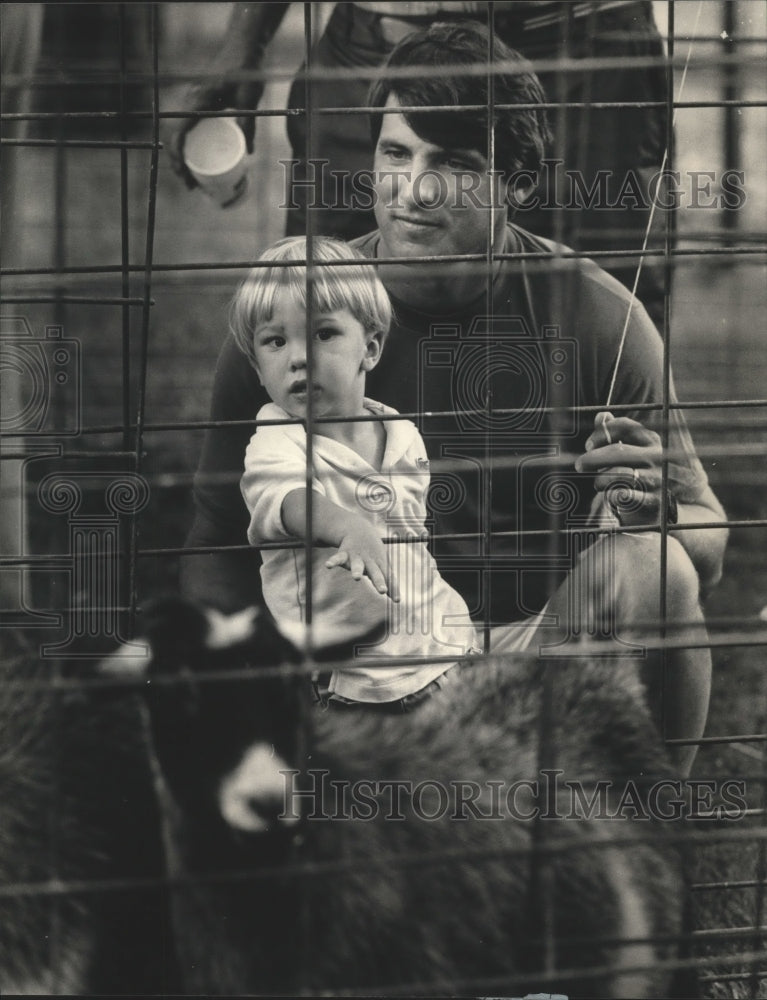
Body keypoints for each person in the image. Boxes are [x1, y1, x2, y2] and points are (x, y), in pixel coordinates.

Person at [184, 22, 727, 775]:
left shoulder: (600, 318)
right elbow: (215, 539)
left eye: (455, 163)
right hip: (357, 661)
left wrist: (654, 509)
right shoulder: (297, 313)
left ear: (519, 184)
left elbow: (707, 540)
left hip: (529, 655)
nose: (414, 189)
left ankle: (642, 851)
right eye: (395, 153)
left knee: (659, 570)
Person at [166, 1, 671, 325]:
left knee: (604, 315)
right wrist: (243, 44)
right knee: (318, 310)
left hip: (580, 46)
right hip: (372, 46)